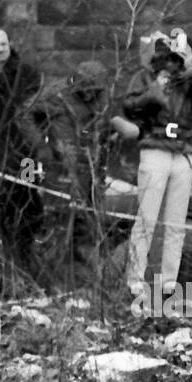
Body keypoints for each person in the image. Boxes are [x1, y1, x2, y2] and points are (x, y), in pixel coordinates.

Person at [122, 28, 192, 296]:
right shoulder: (145, 77)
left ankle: (169, 279)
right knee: (146, 219)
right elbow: (129, 106)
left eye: (178, 57)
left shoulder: (189, 82)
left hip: (183, 154)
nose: (173, 62)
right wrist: (153, 92)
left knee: (176, 223)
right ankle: (134, 278)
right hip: (155, 150)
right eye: (170, 56)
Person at [29, 60, 117, 280]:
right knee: (57, 230)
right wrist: (41, 147)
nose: (89, 94)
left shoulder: (102, 99)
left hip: (91, 173)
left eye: (93, 91)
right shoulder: (55, 95)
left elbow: (103, 130)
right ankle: (48, 283)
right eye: (86, 90)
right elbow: (25, 115)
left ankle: (83, 285)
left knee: (86, 230)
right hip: (60, 171)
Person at [0, 28, 48, 275]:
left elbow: (40, 113)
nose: (0, 48)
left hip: (24, 153)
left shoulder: (26, 75)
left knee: (28, 200)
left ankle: (25, 263)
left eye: (3, 43)